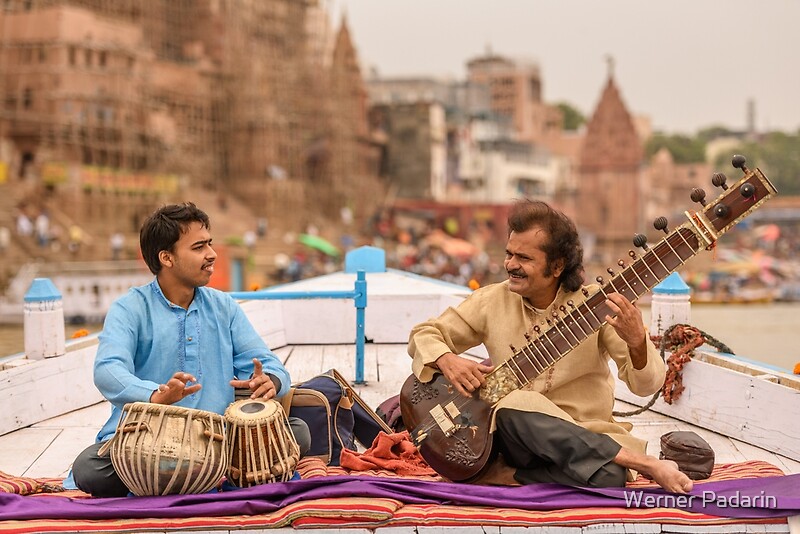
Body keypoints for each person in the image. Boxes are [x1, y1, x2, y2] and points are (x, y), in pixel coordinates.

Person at [407, 200, 693, 494]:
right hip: (515, 435)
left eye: (524, 258)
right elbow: (424, 334)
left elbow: (646, 386)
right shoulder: (491, 301)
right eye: (509, 254)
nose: (511, 265)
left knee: (610, 476)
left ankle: (505, 476)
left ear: (557, 266)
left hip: (584, 432)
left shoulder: (598, 306)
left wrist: (636, 342)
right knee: (514, 405)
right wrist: (446, 359)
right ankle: (645, 463)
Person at [67, 203, 310, 497]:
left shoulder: (224, 306)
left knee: (298, 431)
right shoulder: (129, 308)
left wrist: (269, 380)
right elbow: (108, 370)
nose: (212, 254)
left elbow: (266, 362)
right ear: (166, 257)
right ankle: (213, 476)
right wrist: (155, 395)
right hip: (149, 441)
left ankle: (191, 475)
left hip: (216, 438)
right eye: (198, 247)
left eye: (209, 243)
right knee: (88, 469)